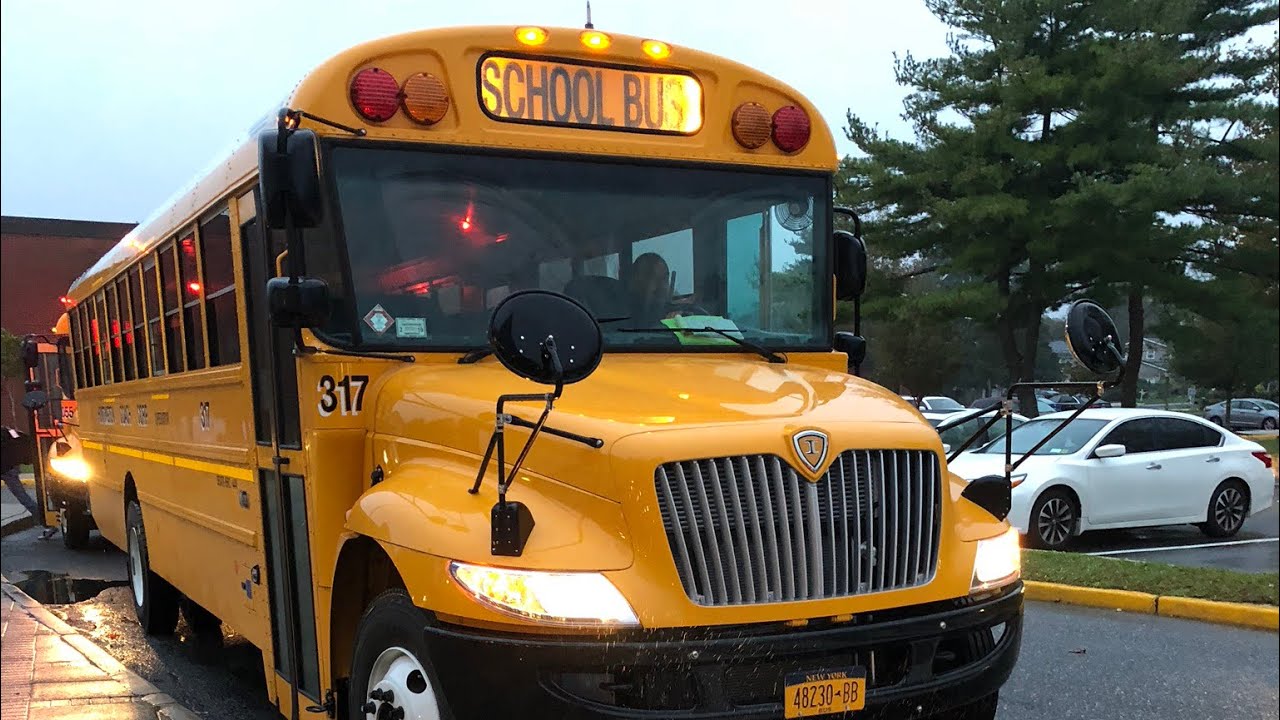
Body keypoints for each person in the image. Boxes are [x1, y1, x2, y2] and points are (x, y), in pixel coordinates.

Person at [1, 426, 41, 518]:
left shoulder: (8, 432)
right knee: (22, 496)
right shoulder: (9, 431)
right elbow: (22, 439)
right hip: (10, 468)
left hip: (8, 469)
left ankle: (40, 516)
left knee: (22, 496)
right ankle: (41, 518)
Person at [627, 253, 673, 325]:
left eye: (665, 279)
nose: (662, 287)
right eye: (654, 279)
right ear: (635, 282)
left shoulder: (673, 313)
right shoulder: (622, 317)